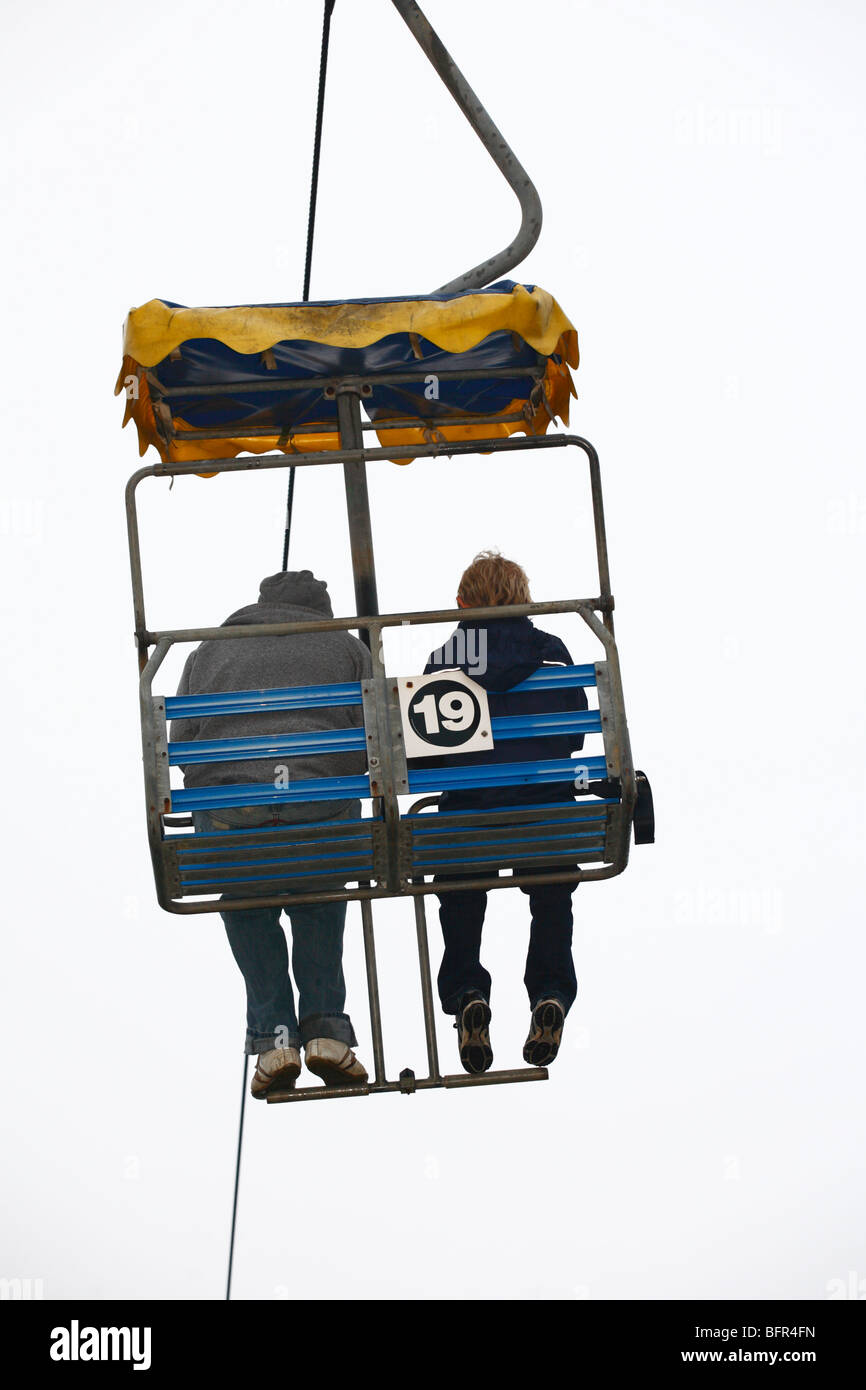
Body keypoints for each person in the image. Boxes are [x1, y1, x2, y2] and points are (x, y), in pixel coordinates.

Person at [170, 571, 371, 1097]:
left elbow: (181, 744)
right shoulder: (346, 646)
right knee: (321, 891)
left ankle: (275, 1039)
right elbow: (377, 736)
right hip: (319, 815)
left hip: (233, 817)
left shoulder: (207, 652)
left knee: (245, 894)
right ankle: (326, 1031)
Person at [421, 551, 588, 1075]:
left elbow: (427, 751)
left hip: (469, 815)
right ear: (523, 598)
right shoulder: (553, 651)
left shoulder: (445, 657)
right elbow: (576, 732)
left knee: (460, 888)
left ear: (463, 603)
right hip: (547, 813)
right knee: (552, 893)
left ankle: (468, 988)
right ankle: (551, 991)